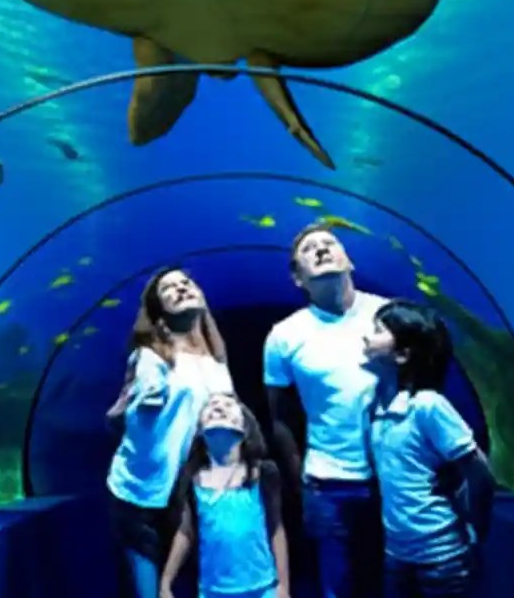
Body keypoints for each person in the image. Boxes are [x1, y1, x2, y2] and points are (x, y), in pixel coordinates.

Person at [263, 224, 388, 598]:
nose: (320, 250)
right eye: (308, 250)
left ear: (349, 260)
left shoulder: (389, 314)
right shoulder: (285, 335)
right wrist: (297, 475)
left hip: (395, 474)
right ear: (297, 277)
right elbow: (280, 415)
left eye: (329, 244)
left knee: (394, 580)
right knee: (337, 585)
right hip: (327, 480)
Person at [106, 268, 236, 598]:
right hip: (138, 491)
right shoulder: (151, 356)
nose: (180, 289)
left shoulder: (217, 362)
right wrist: (137, 402)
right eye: (168, 289)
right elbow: (135, 408)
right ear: (158, 309)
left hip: (190, 492)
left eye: (186, 283)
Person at [362, 300, 495, 598]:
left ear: (403, 354)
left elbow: (479, 473)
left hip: (441, 557)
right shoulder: (378, 407)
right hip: (397, 554)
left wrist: (478, 530)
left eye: (378, 331)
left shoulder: (427, 405)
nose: (366, 337)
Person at [161, 393, 290, 598]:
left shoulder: (263, 474)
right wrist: (166, 581)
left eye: (228, 404)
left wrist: (283, 586)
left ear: (244, 427)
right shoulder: (192, 479)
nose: (219, 408)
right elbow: (186, 532)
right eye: (211, 404)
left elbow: (276, 528)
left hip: (263, 589)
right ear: (200, 429)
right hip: (213, 592)